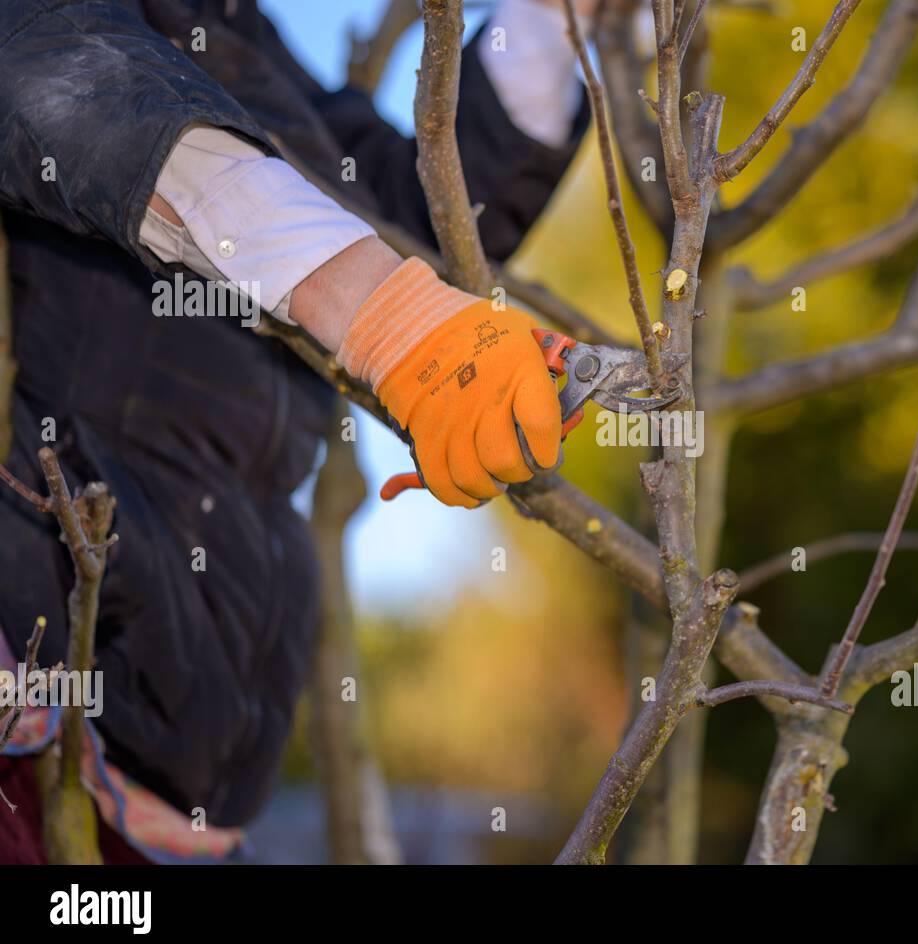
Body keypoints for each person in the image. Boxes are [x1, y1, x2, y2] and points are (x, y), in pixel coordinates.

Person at [0, 0, 594, 862]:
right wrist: (378, 310)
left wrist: (550, 18)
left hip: (184, 788)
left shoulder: (246, 37)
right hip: (36, 736)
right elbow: (66, 86)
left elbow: (422, 214)